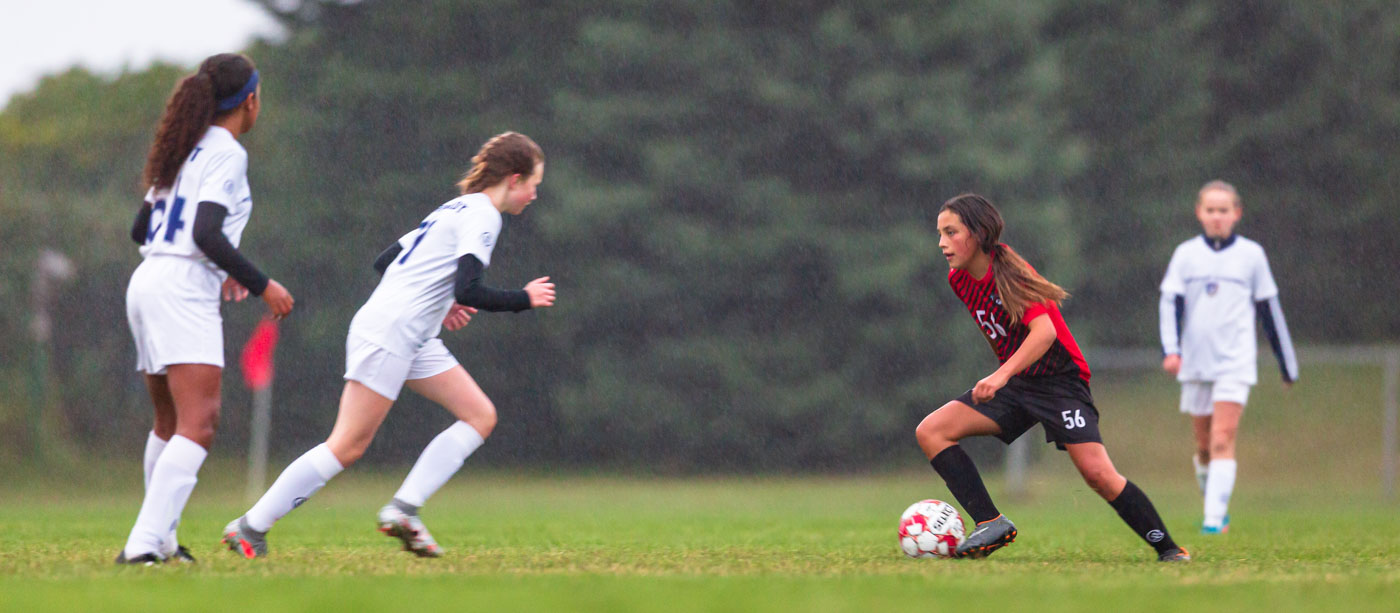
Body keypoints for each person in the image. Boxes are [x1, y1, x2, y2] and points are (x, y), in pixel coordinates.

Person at [222, 132, 555, 559]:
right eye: (533, 185)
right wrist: (522, 299)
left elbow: (386, 261)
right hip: (392, 332)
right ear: (513, 178)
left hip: (410, 332)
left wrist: (442, 299)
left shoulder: (454, 208)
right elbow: (470, 288)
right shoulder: (485, 215)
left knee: (479, 415)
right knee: (347, 444)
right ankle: (250, 527)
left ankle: (403, 510)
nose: (534, 195)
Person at [915, 193, 1189, 562]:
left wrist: (1000, 375)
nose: (942, 243)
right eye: (940, 234)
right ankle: (990, 522)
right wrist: (1007, 377)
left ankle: (1169, 550)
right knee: (931, 431)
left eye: (951, 232)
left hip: (1060, 384)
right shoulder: (959, 279)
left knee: (1097, 474)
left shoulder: (1011, 273)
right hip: (1018, 385)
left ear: (978, 233)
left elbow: (1045, 334)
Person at [118, 53, 295, 565]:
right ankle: (142, 547)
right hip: (180, 287)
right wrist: (260, 284)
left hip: (148, 278)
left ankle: (164, 543)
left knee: (169, 423)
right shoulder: (226, 153)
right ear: (251, 101)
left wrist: (221, 270)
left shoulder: (183, 148)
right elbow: (205, 232)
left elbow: (140, 230)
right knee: (199, 423)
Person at [1159, 180, 1297, 534]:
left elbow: (1269, 310)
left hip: (1235, 362)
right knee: (1204, 446)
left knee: (1223, 438)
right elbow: (1169, 304)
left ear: (1236, 214)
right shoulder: (1185, 255)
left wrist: (1287, 365)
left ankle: (1213, 520)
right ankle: (1214, 504)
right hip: (1195, 362)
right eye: (1211, 210)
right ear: (1199, 213)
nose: (1217, 217)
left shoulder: (1252, 255)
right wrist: (1171, 350)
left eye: (1224, 210)